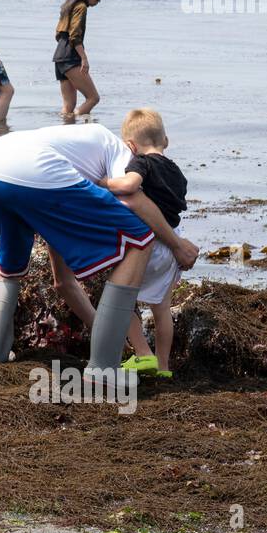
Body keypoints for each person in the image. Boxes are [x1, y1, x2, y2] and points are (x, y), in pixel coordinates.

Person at [0, 123, 198, 377]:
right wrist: (177, 244)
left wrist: (104, 330)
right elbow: (133, 198)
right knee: (139, 238)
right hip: (36, 170)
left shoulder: (68, 168)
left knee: (11, 262)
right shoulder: (120, 149)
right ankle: (104, 370)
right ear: (132, 146)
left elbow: (63, 282)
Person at [101, 109, 189, 377]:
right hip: (169, 248)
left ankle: (143, 353)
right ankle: (164, 367)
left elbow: (129, 186)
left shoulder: (141, 163)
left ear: (130, 145)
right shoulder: (177, 172)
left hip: (146, 246)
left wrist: (104, 182)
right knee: (162, 309)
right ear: (166, 140)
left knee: (121, 298)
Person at [53, 0, 105, 119]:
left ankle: (64, 132)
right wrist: (84, 58)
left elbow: (58, 34)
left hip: (59, 57)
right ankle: (73, 125)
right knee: (93, 98)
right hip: (70, 57)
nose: (98, 2)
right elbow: (75, 35)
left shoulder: (69, 5)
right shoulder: (81, 7)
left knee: (68, 106)